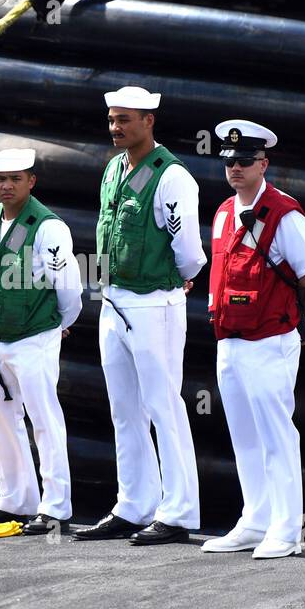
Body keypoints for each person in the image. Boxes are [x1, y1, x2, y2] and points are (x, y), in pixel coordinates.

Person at [74, 86, 206, 546]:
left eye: (125, 119)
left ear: (149, 121)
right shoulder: (113, 168)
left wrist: (176, 279)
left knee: (163, 406)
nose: (115, 127)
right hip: (115, 300)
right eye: (112, 119)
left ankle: (179, 510)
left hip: (155, 304)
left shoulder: (172, 178)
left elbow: (189, 251)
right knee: (124, 410)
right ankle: (133, 504)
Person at [202, 120, 305, 559]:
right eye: (229, 161)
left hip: (270, 338)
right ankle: (254, 519)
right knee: (244, 435)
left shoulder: (285, 214)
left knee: (277, 434)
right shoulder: (221, 214)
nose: (235, 168)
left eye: (244, 161)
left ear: (263, 163)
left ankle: (286, 529)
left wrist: (299, 319)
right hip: (230, 340)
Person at [0, 148, 83, 535]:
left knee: (44, 420)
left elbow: (69, 290)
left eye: (15, 178)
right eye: (0, 179)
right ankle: (16, 498)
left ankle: (56, 506)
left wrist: (56, 326)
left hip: (34, 338)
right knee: (2, 420)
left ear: (31, 181)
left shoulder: (48, 228)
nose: (6, 185)